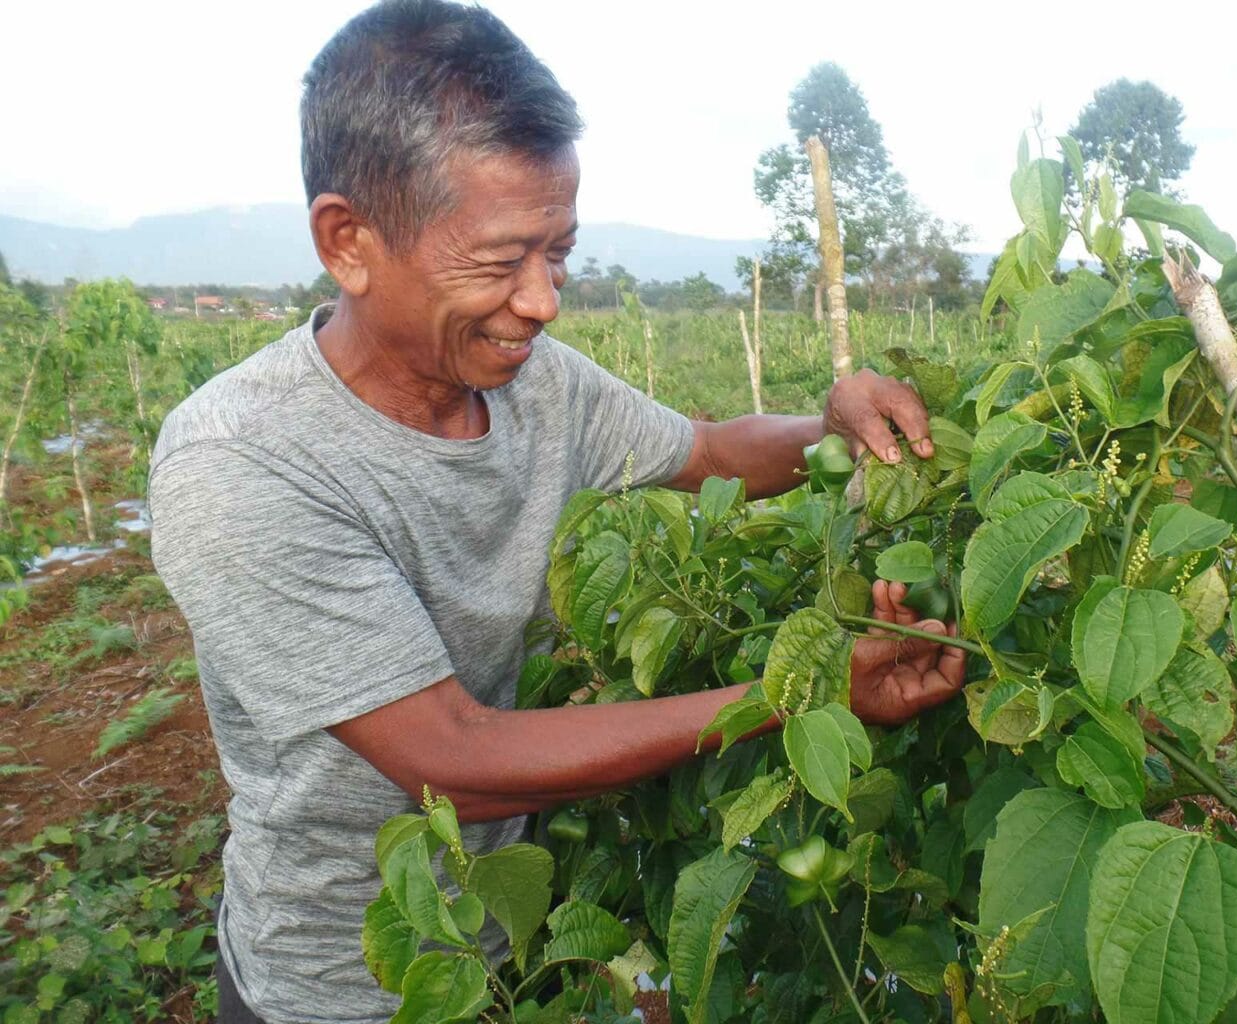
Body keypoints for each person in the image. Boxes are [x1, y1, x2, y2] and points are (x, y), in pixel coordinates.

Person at [148, 2, 964, 1021]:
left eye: (559, 254)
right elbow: (455, 760)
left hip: (526, 945)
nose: (541, 300)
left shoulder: (534, 382)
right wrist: (794, 693)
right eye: (499, 261)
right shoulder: (241, 463)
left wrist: (833, 429)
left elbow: (707, 450)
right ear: (348, 241)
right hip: (344, 985)